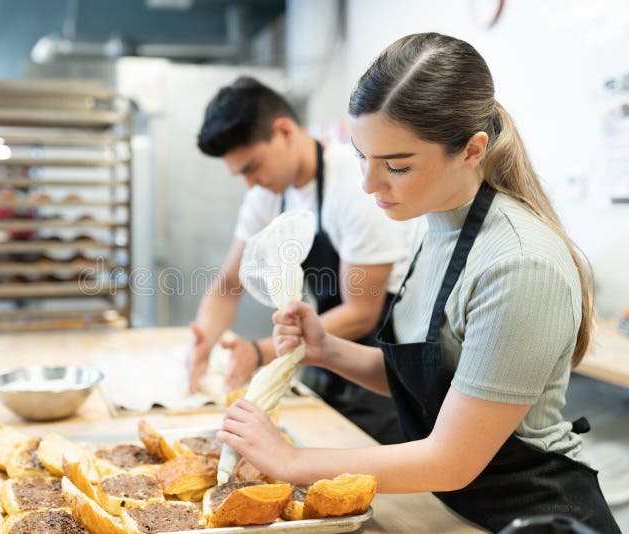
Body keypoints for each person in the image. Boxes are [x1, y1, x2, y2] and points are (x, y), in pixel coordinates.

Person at [217, 33, 620, 533]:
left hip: (535, 516)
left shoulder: (519, 264)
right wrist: (326, 349)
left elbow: (452, 458)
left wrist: (293, 462)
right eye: (362, 156)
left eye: (398, 165)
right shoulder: (439, 224)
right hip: (453, 508)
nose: (369, 183)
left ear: (472, 151)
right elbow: (435, 384)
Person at [189, 76, 416, 445]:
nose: (250, 182)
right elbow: (228, 285)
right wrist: (204, 340)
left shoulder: (354, 187)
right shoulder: (270, 191)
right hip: (325, 360)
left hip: (380, 370)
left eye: (251, 167)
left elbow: (362, 312)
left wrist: (259, 352)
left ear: (284, 131)